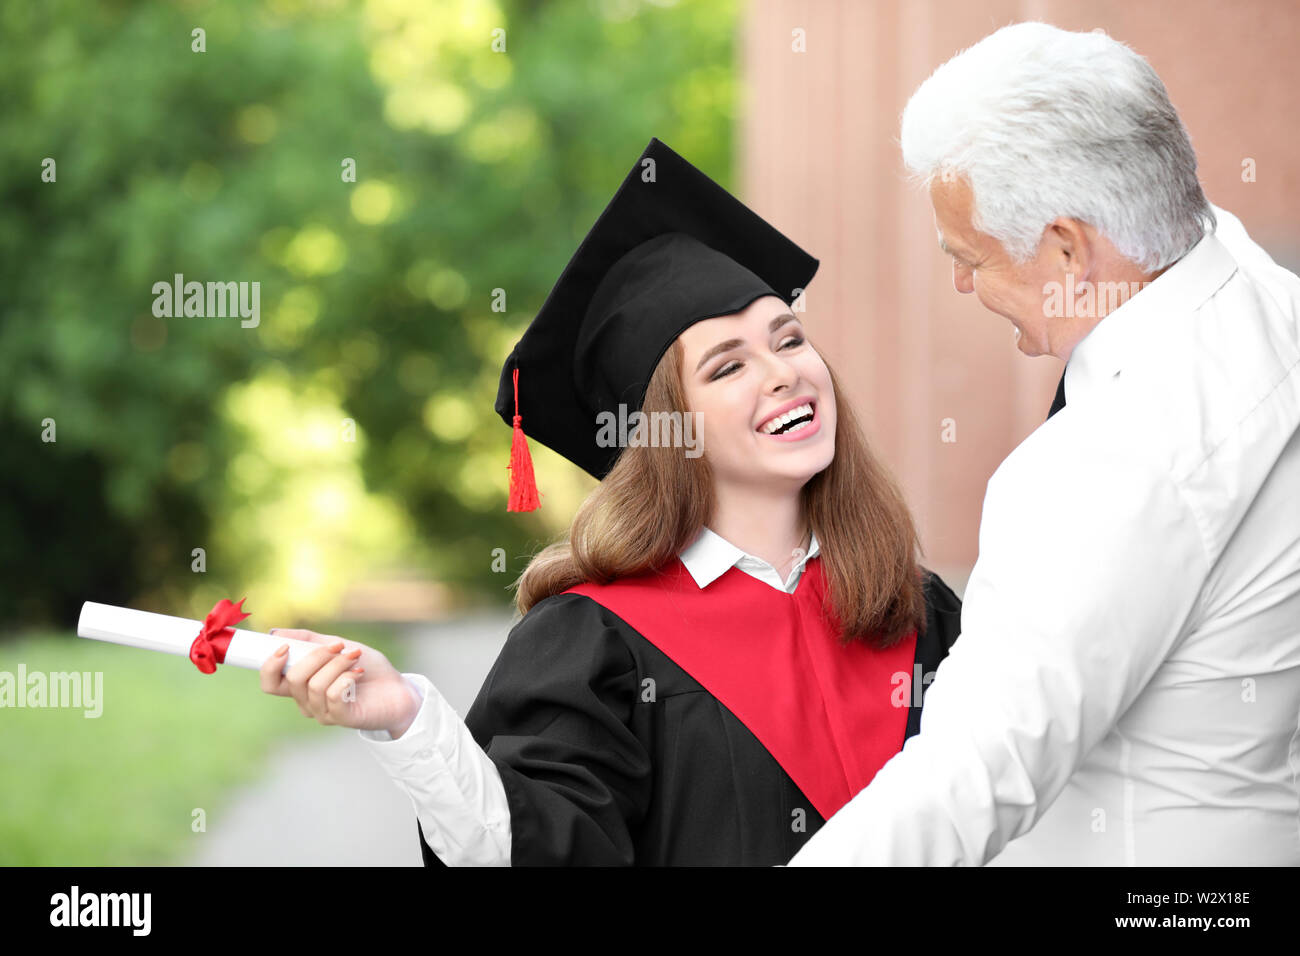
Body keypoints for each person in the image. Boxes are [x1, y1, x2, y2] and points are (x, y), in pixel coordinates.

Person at [258, 137, 963, 865]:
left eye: (787, 340)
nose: (782, 374)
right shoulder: (598, 644)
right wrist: (407, 719)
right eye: (728, 367)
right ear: (665, 430)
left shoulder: (919, 611)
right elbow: (535, 843)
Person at [788, 22, 1300, 866]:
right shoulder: (1261, 294)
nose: (961, 284)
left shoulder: (1106, 462)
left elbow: (974, 773)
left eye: (973, 258)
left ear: (1067, 247)